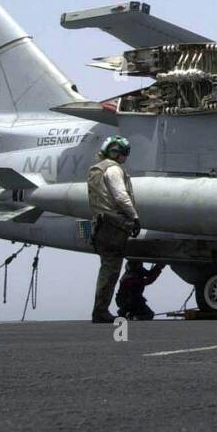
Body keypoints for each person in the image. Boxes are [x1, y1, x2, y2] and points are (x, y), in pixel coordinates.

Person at [88, 136, 140, 323]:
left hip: (101, 226)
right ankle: (100, 311)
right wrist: (134, 216)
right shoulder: (113, 170)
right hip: (113, 226)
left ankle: (100, 310)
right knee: (110, 270)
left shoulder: (97, 170)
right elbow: (120, 196)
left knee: (107, 268)